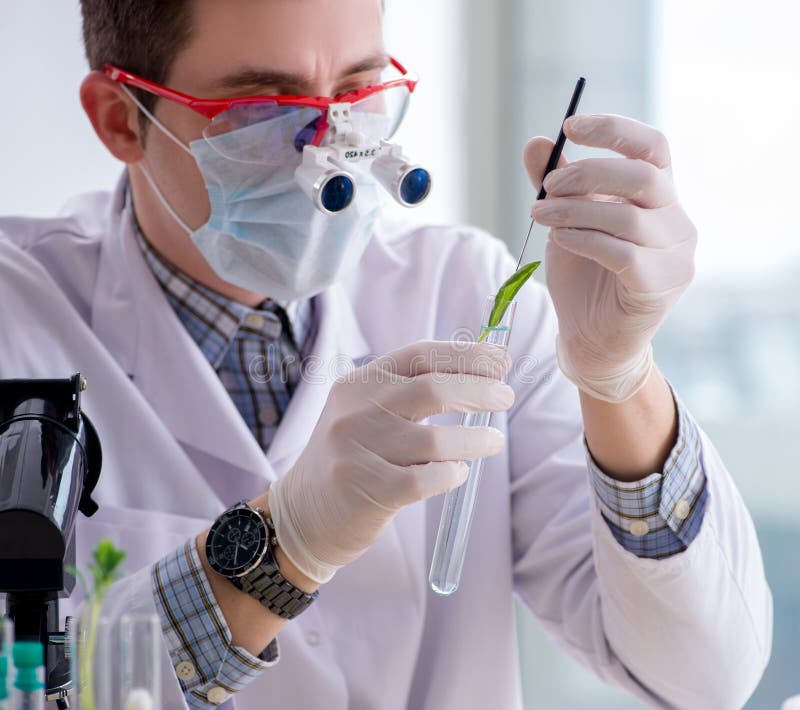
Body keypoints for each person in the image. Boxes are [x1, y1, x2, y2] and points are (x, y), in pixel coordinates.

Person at [0, 0, 771, 708]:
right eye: (266, 108)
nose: (328, 150)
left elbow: (704, 677)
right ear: (121, 118)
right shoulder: (17, 317)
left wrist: (620, 379)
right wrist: (280, 546)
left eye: (360, 90)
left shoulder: (463, 289)